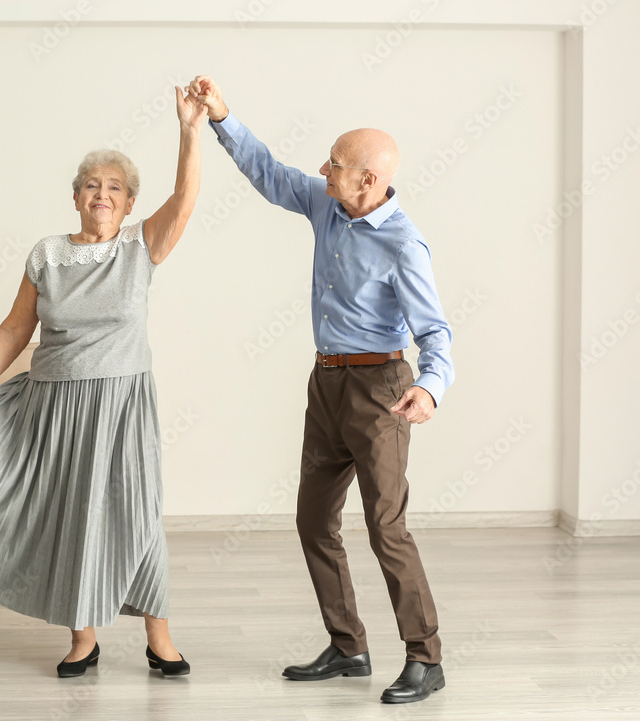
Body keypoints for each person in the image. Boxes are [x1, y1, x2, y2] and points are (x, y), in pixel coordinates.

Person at [0, 86, 208, 678]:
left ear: (128, 205)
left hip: (121, 400)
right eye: (93, 186)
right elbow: (16, 327)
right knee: (72, 513)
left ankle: (159, 636)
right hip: (52, 403)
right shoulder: (46, 254)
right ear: (75, 197)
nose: (103, 194)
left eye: (115, 188)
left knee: (139, 512)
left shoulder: (140, 246)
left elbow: (186, 198)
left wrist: (190, 130)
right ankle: (83, 638)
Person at [188, 75, 454, 704]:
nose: (322, 169)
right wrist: (222, 118)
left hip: (382, 389)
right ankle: (348, 645)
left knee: (386, 526)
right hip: (327, 383)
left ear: (369, 179)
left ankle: (426, 657)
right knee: (313, 519)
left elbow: (435, 331)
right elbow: (269, 172)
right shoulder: (327, 204)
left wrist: (432, 390)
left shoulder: (402, 243)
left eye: (334, 163)